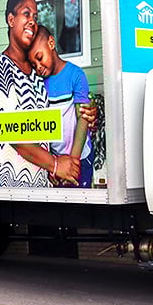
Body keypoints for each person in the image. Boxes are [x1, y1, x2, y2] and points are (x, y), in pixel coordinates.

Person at [0, 0, 81, 188]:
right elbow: (12, 134)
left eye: (35, 16)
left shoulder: (36, 72)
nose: (32, 20)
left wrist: (51, 169)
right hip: (9, 185)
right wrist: (56, 165)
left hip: (39, 186)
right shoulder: (2, 68)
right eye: (26, 13)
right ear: (10, 20)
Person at [29, 25, 94, 188]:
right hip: (55, 162)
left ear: (51, 43)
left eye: (39, 57)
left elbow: (83, 118)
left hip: (80, 158)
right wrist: (54, 164)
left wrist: (73, 162)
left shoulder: (76, 75)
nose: (38, 67)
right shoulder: (38, 83)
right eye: (33, 64)